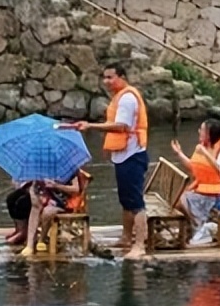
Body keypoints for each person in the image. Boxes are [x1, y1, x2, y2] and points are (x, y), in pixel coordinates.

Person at [67, 63, 149, 260]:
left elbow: (121, 127)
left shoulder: (127, 98)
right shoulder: (119, 97)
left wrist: (90, 126)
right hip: (123, 155)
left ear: (121, 77)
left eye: (110, 77)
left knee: (135, 201)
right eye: (104, 77)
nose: (106, 81)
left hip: (132, 155)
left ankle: (139, 245)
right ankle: (126, 237)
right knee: (125, 199)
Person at [170, 119, 220, 245]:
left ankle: (198, 227)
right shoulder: (201, 146)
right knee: (176, 200)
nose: (199, 131)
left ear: (209, 134)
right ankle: (197, 226)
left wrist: (204, 152)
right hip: (201, 189)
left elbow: (219, 168)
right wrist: (179, 153)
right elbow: (192, 167)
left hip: (215, 194)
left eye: (202, 130)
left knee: (179, 200)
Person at [19, 170, 89, 257]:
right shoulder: (40, 169)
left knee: (47, 211)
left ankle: (42, 239)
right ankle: (29, 244)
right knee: (32, 206)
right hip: (46, 198)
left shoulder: (70, 169)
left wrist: (56, 186)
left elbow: (76, 189)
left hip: (65, 202)